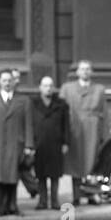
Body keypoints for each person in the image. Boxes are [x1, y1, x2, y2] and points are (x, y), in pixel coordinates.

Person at [0, 69, 34, 216]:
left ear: (14, 82)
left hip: (15, 143)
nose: (7, 83)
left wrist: (28, 145)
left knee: (13, 175)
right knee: (0, 175)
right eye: (4, 80)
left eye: (9, 80)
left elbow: (28, 124)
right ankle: (1, 205)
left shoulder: (23, 100)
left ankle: (12, 204)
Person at [61, 60, 107, 206]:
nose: (85, 72)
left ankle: (91, 195)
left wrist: (104, 135)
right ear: (77, 72)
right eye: (82, 69)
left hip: (92, 130)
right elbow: (61, 112)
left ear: (91, 71)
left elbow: (104, 113)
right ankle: (76, 195)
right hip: (74, 130)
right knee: (76, 163)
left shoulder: (99, 89)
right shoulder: (67, 88)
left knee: (91, 163)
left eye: (88, 69)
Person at [32, 75, 70, 210]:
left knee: (54, 175)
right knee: (40, 175)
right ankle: (42, 201)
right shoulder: (34, 104)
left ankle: (54, 201)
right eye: (45, 86)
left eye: (50, 86)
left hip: (55, 144)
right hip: (40, 144)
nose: (48, 89)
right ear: (40, 88)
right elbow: (30, 124)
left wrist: (66, 142)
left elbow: (66, 125)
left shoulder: (61, 104)